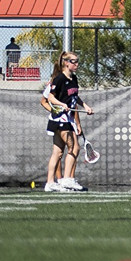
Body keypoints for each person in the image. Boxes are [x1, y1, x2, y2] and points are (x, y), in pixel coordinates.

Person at [41, 51, 92, 192]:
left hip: (68, 119)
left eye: (77, 61)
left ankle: (50, 183)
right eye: (74, 61)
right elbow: (50, 98)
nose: (76, 64)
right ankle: (67, 180)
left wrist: (85, 106)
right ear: (66, 62)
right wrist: (61, 105)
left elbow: (75, 97)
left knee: (57, 152)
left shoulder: (74, 79)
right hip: (60, 119)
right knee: (74, 148)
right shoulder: (59, 79)